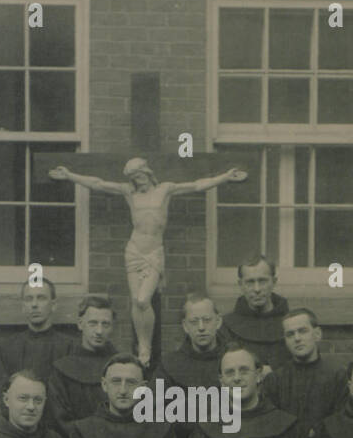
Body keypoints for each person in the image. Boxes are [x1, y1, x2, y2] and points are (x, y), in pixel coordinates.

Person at [49, 157, 247, 367]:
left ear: (148, 173)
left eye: (140, 176)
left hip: (153, 253)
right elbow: (98, 183)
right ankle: (144, 345)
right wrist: (70, 175)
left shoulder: (165, 189)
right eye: (134, 178)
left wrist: (225, 177)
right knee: (136, 301)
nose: (138, 181)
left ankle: (147, 344)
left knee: (144, 300)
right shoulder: (129, 192)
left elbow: (197, 185)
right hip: (134, 250)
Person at [154, 293, 229, 438]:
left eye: (207, 320)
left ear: (218, 321)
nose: (201, 327)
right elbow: (154, 411)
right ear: (185, 326)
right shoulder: (170, 364)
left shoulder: (234, 359)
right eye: (194, 322)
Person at [263, 308, 347, 438]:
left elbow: (341, 419)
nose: (297, 338)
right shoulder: (275, 380)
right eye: (290, 334)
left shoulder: (338, 376)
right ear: (285, 340)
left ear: (317, 334)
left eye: (302, 331)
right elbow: (271, 421)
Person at [48, 295, 118, 426]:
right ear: (80, 324)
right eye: (93, 323)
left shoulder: (123, 366)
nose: (99, 331)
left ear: (112, 327)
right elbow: (59, 418)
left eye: (105, 324)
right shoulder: (62, 370)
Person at [0, 277, 76, 382]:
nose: (34, 304)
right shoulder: (8, 347)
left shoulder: (69, 347)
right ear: (23, 306)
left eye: (41, 298)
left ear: (53, 305)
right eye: (29, 299)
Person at [220, 254, 290, 371]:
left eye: (262, 281)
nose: (257, 289)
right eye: (250, 282)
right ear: (241, 285)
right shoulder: (226, 326)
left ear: (274, 282)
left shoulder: (290, 324)